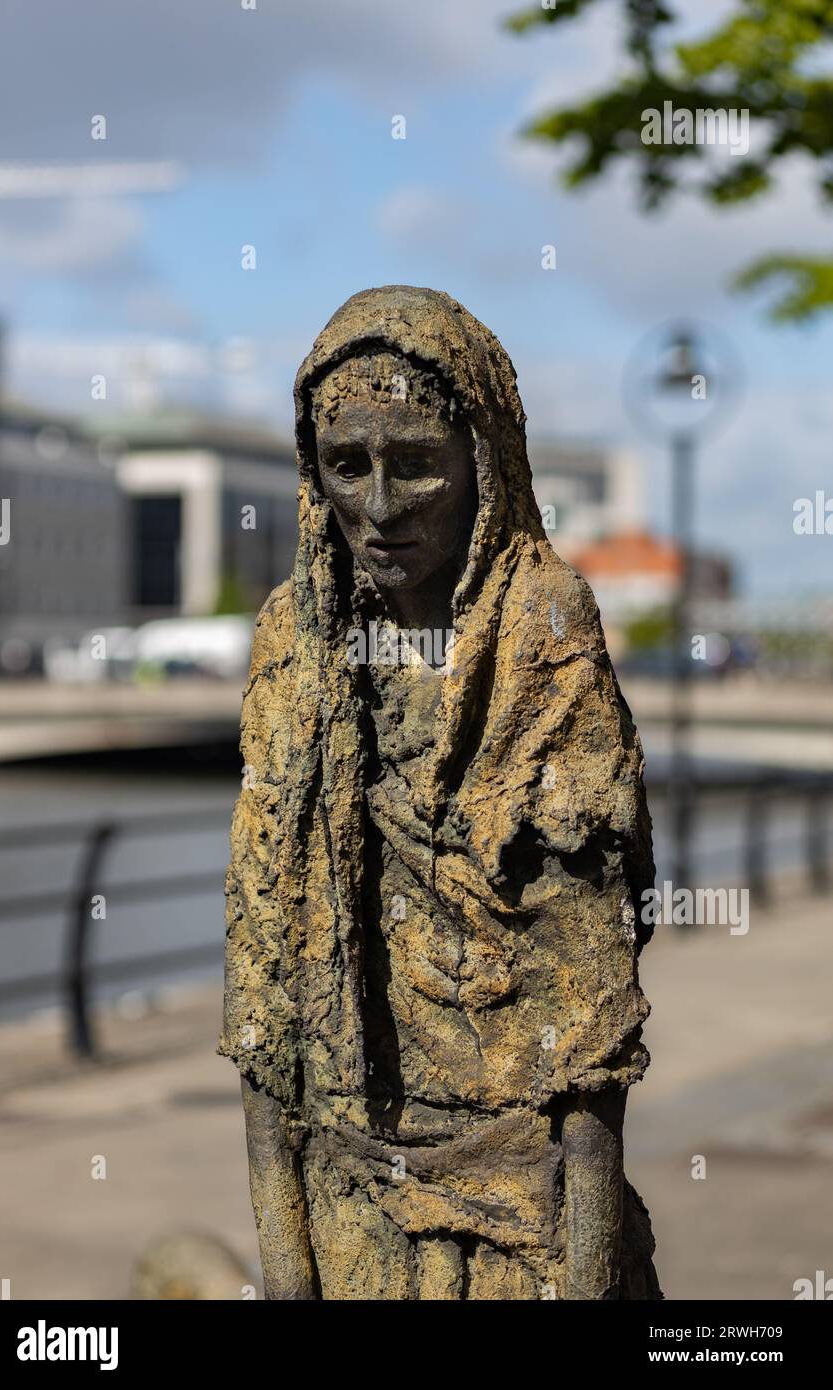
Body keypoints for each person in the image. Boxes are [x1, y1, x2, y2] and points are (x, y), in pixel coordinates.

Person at [220, 285, 661, 1300]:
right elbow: (263, 982)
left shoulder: (541, 630)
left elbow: (587, 1016)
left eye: (415, 463)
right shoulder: (297, 638)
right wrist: (287, 1265)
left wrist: (583, 1274)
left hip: (519, 1203)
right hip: (346, 1186)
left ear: (483, 463)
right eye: (346, 466)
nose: (378, 509)